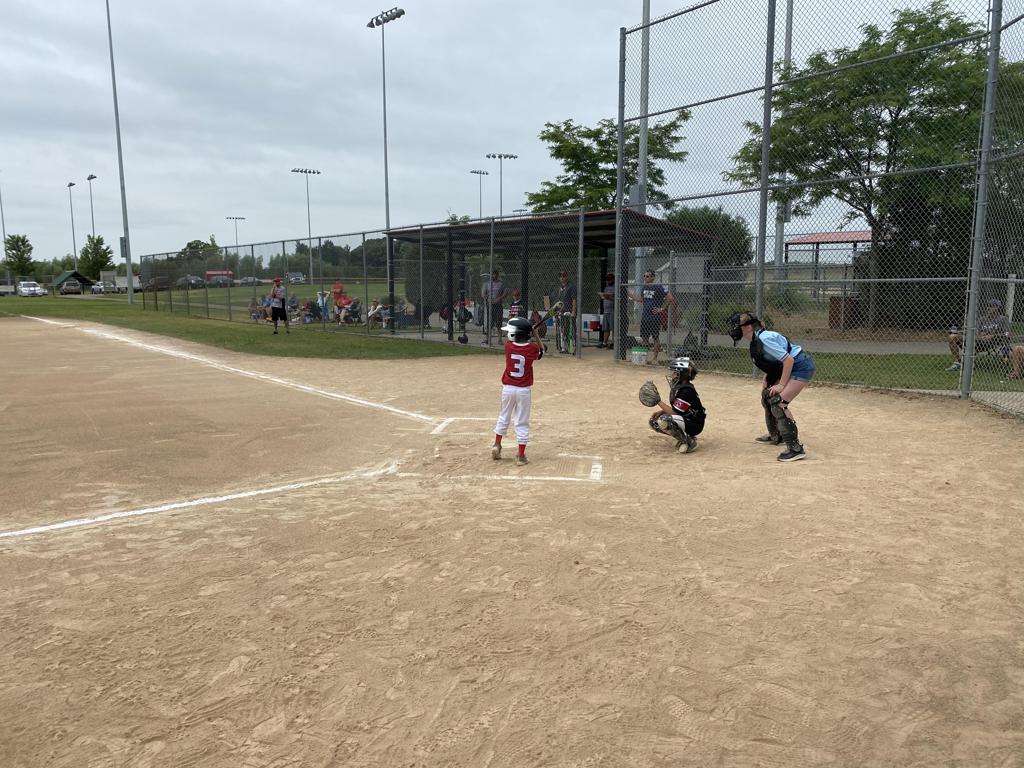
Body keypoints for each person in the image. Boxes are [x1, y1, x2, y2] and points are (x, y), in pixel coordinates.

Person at [728, 312, 815, 462]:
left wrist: (781, 385)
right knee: (767, 395)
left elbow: (788, 360)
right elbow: (774, 361)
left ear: (748, 327)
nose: (734, 329)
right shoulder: (757, 338)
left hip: (800, 366)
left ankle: (795, 448)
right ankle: (777, 435)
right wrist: (768, 377)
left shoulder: (764, 339)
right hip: (788, 367)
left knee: (779, 403)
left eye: (737, 326)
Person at [491, 316, 544, 467]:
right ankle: (520, 456)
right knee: (522, 421)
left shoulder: (508, 346)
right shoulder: (532, 348)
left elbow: (518, 342)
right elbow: (541, 352)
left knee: (504, 416)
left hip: (508, 389)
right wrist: (535, 334)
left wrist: (530, 332)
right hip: (523, 391)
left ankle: (497, 444)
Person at [647, 357, 706, 454]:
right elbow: (678, 409)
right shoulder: (681, 388)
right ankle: (684, 437)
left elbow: (674, 413)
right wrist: (662, 411)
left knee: (664, 420)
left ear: (683, 375)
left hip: (694, 424)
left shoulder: (687, 391)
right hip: (686, 419)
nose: (672, 375)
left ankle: (690, 442)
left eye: (675, 372)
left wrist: (658, 401)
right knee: (654, 421)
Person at [947, 298, 1012, 371]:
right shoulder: (982, 319)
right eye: (988, 306)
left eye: (992, 306)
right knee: (952, 337)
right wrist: (977, 335)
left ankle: (968, 363)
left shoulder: (1003, 319)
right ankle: (958, 362)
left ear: (997, 308)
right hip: (977, 340)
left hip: (991, 342)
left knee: (972, 341)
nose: (989, 308)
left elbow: (1007, 334)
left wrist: (993, 336)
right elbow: (976, 331)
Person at [628, 269, 673, 366]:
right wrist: (630, 294)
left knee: (655, 338)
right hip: (645, 317)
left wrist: (661, 309)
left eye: (648, 276)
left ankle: (654, 359)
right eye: (644, 276)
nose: (645, 278)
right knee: (644, 338)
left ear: (653, 277)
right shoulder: (644, 287)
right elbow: (641, 299)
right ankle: (643, 357)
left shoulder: (658, 287)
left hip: (654, 318)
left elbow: (670, 298)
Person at [553, 270, 578, 354]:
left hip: (569, 312)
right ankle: (565, 348)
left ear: (567, 277)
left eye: (563, 276)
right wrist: (556, 311)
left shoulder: (571, 286)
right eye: (560, 276)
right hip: (561, 312)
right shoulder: (560, 288)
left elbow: (574, 300)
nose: (562, 278)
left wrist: (573, 312)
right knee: (563, 330)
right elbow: (558, 301)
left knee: (572, 330)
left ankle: (573, 348)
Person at [481, 269, 509, 340]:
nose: (492, 276)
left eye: (494, 274)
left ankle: (500, 339)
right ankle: (487, 339)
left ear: (497, 275)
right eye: (491, 274)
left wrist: (499, 298)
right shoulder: (487, 284)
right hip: (490, 305)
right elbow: (483, 293)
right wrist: (486, 297)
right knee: (489, 322)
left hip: (498, 305)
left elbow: (505, 293)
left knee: (499, 322)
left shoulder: (501, 284)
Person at [598, 273, 615, 349]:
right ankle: (604, 343)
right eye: (608, 279)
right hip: (606, 311)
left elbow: (617, 299)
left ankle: (614, 343)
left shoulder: (616, 287)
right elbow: (604, 297)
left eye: (610, 279)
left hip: (613, 311)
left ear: (613, 279)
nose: (608, 281)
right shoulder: (606, 287)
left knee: (614, 328)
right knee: (605, 328)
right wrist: (603, 296)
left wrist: (608, 297)